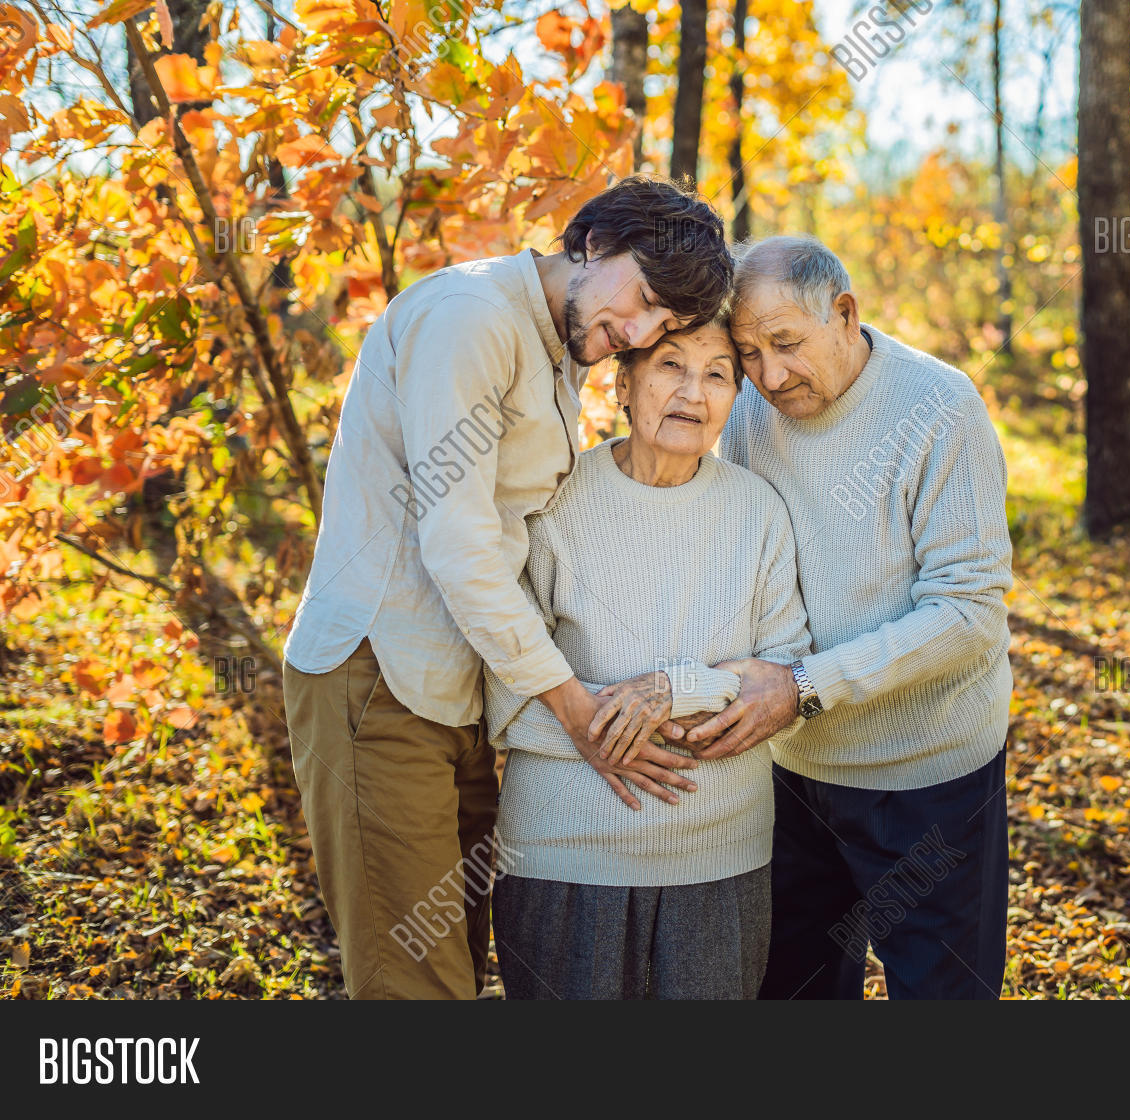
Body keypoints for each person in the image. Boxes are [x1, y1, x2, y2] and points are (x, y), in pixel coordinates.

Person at [281, 176, 732, 999]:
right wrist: (579, 712)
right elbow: (458, 546)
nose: (634, 332)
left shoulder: (558, 347)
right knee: (415, 986)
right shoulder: (472, 320)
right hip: (377, 681)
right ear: (594, 242)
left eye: (662, 325)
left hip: (457, 692)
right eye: (642, 299)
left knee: (458, 962)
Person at [691, 234, 1014, 1000]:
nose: (769, 375)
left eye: (787, 343)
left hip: (930, 776)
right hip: (792, 772)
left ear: (844, 313)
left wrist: (804, 683)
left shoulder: (939, 408)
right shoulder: (747, 412)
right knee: (793, 991)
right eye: (748, 353)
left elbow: (968, 611)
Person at [484, 310, 811, 999]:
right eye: (670, 366)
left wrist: (676, 689)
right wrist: (608, 731)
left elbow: (785, 679)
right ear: (624, 383)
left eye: (718, 374)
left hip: (721, 860)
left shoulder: (759, 512)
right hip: (563, 856)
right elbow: (504, 679)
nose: (693, 393)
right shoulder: (553, 500)